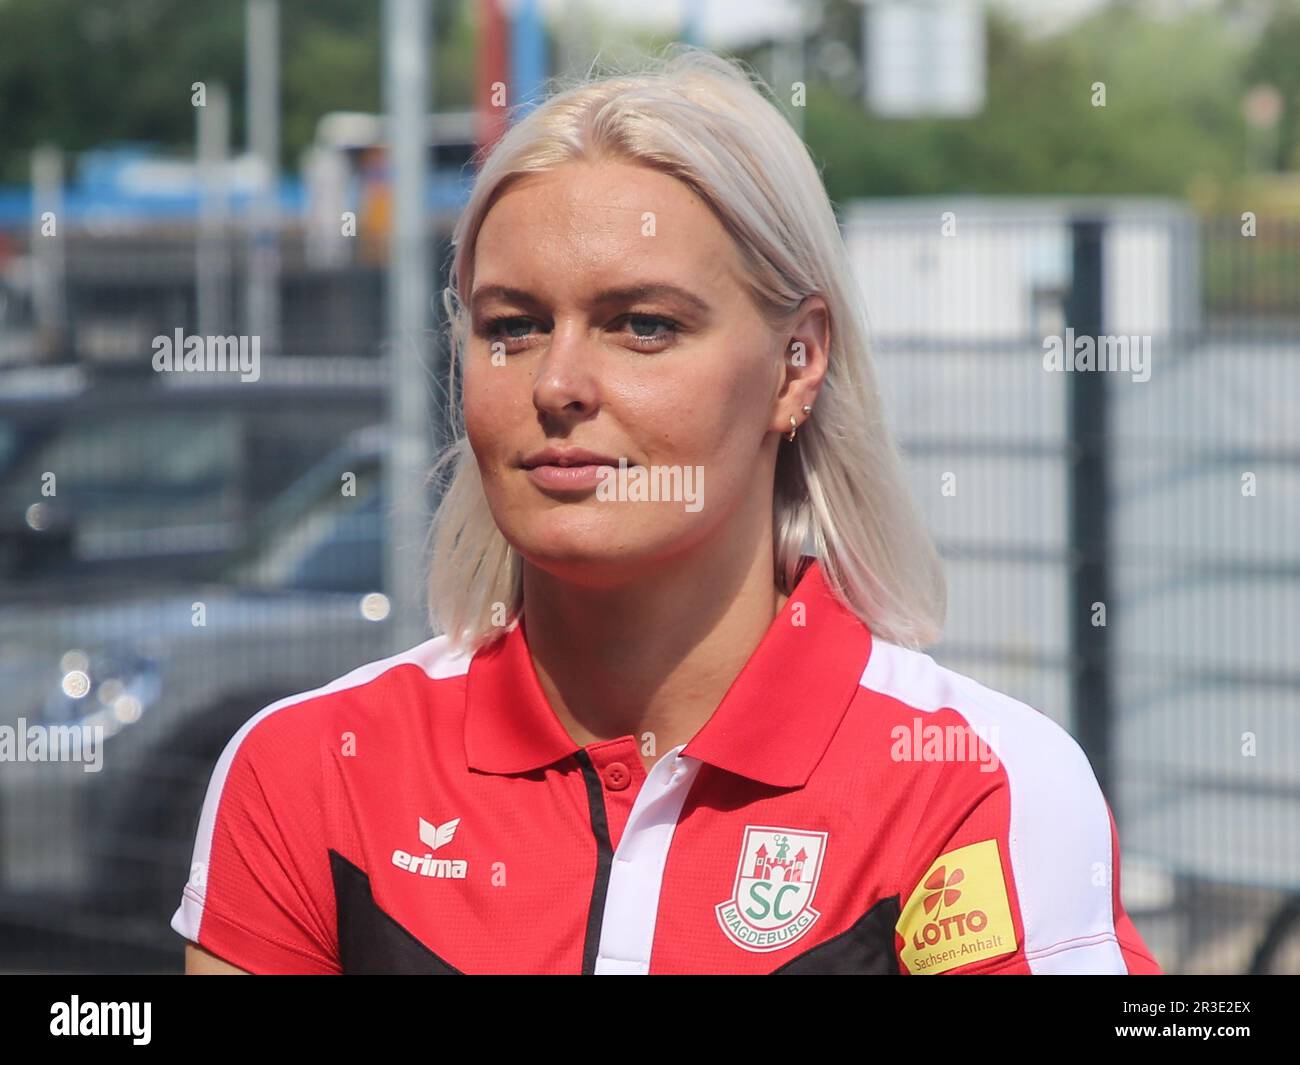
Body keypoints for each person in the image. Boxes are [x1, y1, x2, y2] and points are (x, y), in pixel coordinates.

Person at [173, 45, 1161, 975]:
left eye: (642, 325)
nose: (558, 383)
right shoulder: (310, 772)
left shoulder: (973, 786)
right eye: (511, 327)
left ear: (796, 363)